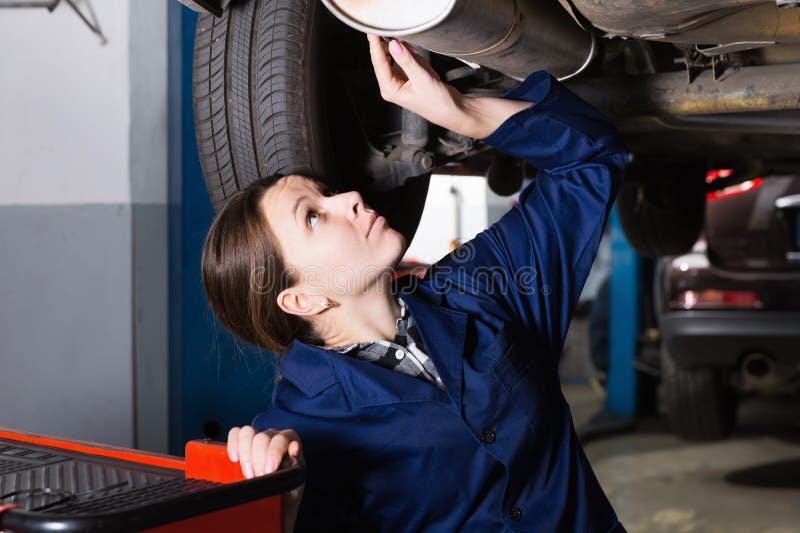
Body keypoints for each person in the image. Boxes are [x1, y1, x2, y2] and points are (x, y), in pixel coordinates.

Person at [201, 34, 629, 532]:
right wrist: (281, 511)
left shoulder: (479, 291)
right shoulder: (296, 444)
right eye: (314, 217)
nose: (352, 198)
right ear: (302, 298)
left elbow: (590, 160)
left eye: (328, 195)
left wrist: (460, 109)